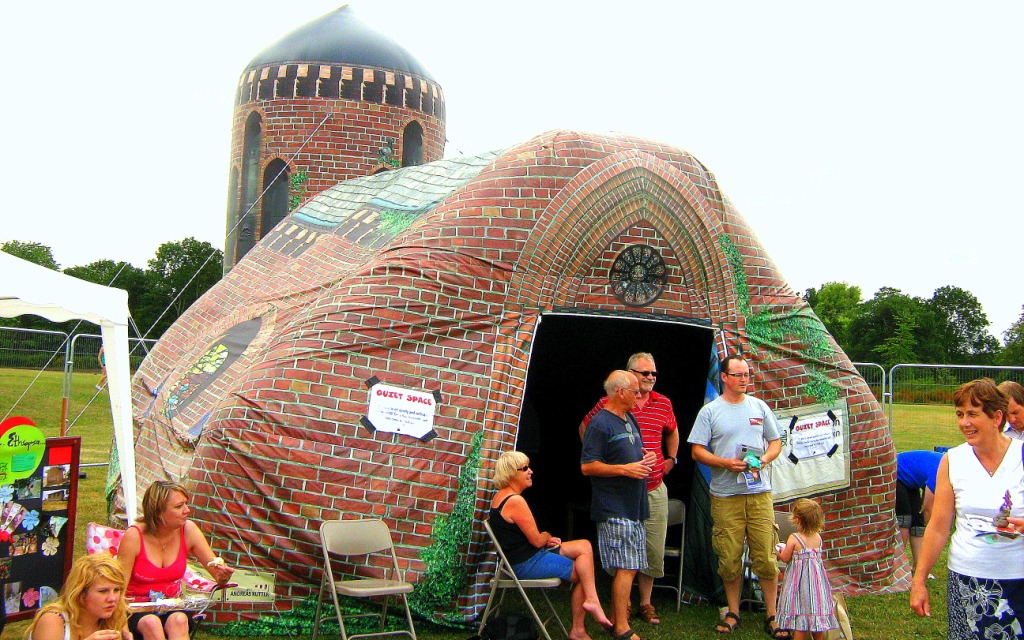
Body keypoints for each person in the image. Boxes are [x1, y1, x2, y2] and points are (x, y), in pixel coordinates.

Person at [910, 378, 1024, 639]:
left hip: (1018, 580)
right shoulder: (953, 461)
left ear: (996, 417)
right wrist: (919, 581)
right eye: (960, 415)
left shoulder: (1021, 455)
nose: (964, 423)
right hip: (967, 580)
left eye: (973, 414)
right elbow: (938, 527)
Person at [687, 355, 788, 638]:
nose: (745, 379)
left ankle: (772, 614)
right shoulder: (710, 411)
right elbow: (697, 451)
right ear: (724, 377)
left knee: (766, 556)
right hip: (725, 495)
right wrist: (725, 463)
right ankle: (733, 612)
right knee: (729, 557)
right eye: (739, 374)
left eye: (747, 374)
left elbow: (776, 441)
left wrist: (765, 459)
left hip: (759, 494)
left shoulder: (759, 407)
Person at [579, 352, 678, 626]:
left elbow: (671, 431)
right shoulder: (605, 413)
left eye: (653, 374)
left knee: (645, 552)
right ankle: (621, 616)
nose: (648, 379)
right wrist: (613, 463)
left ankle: (642, 604)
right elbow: (587, 455)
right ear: (625, 383)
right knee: (623, 557)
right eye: (643, 374)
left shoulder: (647, 409)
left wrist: (666, 459)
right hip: (619, 496)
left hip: (648, 489)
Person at [490, 451, 612, 640]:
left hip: (523, 557)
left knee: (584, 546)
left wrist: (544, 539)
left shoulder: (501, 496)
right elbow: (537, 540)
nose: (530, 471)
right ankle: (579, 630)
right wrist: (546, 536)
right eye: (525, 469)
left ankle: (592, 600)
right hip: (525, 563)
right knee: (584, 572)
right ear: (511, 473)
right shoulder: (515, 501)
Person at [581, 370, 656, 640]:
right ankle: (622, 628)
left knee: (632, 564)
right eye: (635, 390)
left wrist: (644, 456)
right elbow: (588, 466)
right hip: (614, 506)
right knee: (624, 565)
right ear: (619, 392)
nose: (640, 394)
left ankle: (616, 619)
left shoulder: (629, 417)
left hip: (634, 504)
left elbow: (630, 451)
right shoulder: (600, 424)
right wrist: (625, 469)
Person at [117, 481, 234, 640]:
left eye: (186, 504)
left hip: (171, 606)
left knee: (179, 620)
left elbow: (218, 575)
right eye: (179, 506)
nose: (187, 510)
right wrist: (121, 624)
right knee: (151, 623)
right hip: (136, 610)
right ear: (158, 512)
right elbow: (117, 587)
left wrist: (224, 575)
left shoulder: (188, 530)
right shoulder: (134, 537)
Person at [25, 552, 129, 640]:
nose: (112, 598)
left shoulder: (110, 620)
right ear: (80, 593)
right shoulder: (53, 620)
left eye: (116, 590)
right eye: (103, 591)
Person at [775, 498, 838, 640]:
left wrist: (778, 551)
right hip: (816, 586)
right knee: (815, 617)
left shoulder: (794, 538)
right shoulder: (818, 538)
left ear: (797, 519)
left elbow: (785, 558)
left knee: (800, 620)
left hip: (799, 585)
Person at [895, 450, 943, 568]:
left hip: (912, 482)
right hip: (897, 473)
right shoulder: (941, 471)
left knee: (918, 525)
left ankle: (918, 567)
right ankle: (898, 567)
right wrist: (933, 530)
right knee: (904, 520)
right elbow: (927, 507)